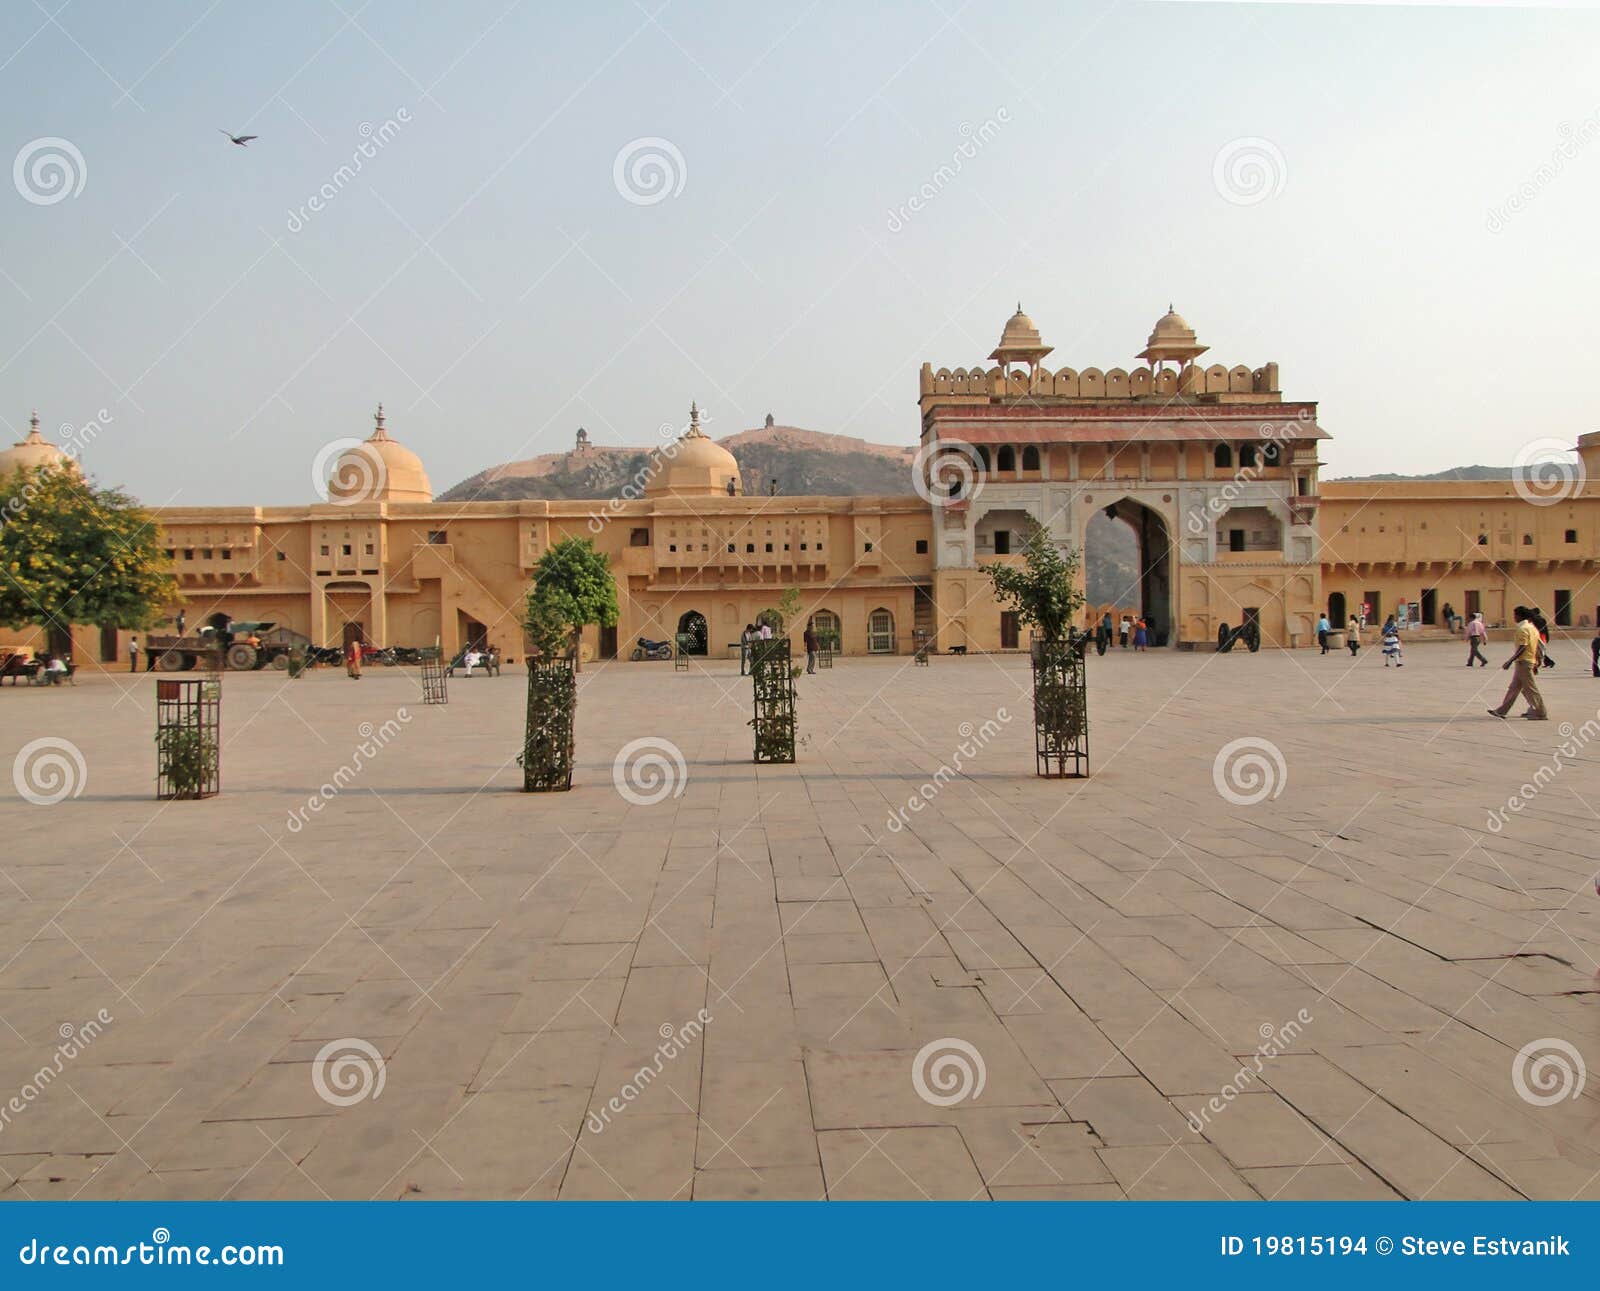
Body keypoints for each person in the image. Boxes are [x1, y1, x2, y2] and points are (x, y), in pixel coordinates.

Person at [1488, 605, 1547, 721]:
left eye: (1515, 615)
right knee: (1514, 688)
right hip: (1527, 660)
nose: (1514, 617)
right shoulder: (1532, 627)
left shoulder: (1523, 629)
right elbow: (1537, 646)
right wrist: (1537, 659)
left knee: (1530, 688)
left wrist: (1510, 661)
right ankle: (1502, 710)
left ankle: (1540, 712)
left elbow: (1523, 647)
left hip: (1523, 662)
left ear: (1519, 616)